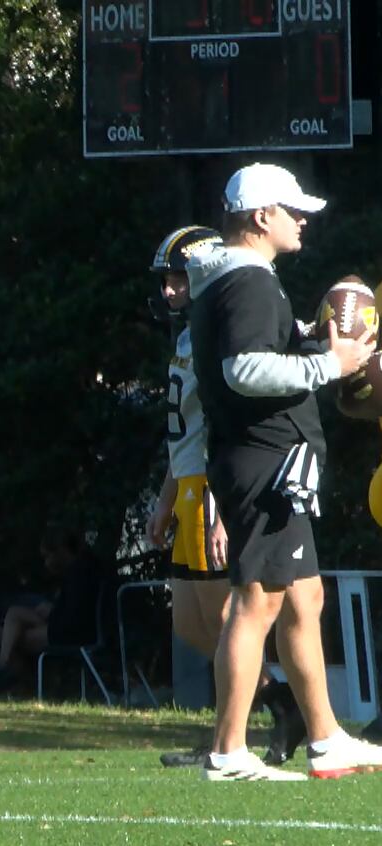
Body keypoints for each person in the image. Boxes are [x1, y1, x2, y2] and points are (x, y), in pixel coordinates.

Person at [188, 163, 382, 780]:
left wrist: (304, 338)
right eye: (292, 209)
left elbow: (256, 353)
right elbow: (244, 370)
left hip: (268, 458)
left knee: (305, 597)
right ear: (259, 216)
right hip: (264, 461)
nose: (302, 219)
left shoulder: (245, 280)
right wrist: (329, 363)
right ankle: (227, 751)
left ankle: (325, 739)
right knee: (258, 602)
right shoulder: (245, 281)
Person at [143, 226, 303, 767]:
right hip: (188, 484)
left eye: (178, 279)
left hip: (210, 486)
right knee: (193, 625)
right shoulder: (188, 336)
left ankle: (246, 730)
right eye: (165, 281)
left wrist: (215, 504)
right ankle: (274, 708)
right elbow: (184, 432)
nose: (170, 291)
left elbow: (218, 424)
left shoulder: (216, 328)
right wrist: (167, 495)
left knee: (229, 616)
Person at [0, 530, 107, 691]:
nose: (46, 563)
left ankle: (10, 676)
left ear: (61, 551)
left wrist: (52, 612)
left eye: (48, 557)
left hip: (73, 633)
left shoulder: (79, 573)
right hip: (72, 626)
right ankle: (4, 670)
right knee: (14, 614)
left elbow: (74, 614)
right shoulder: (85, 568)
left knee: (16, 640)